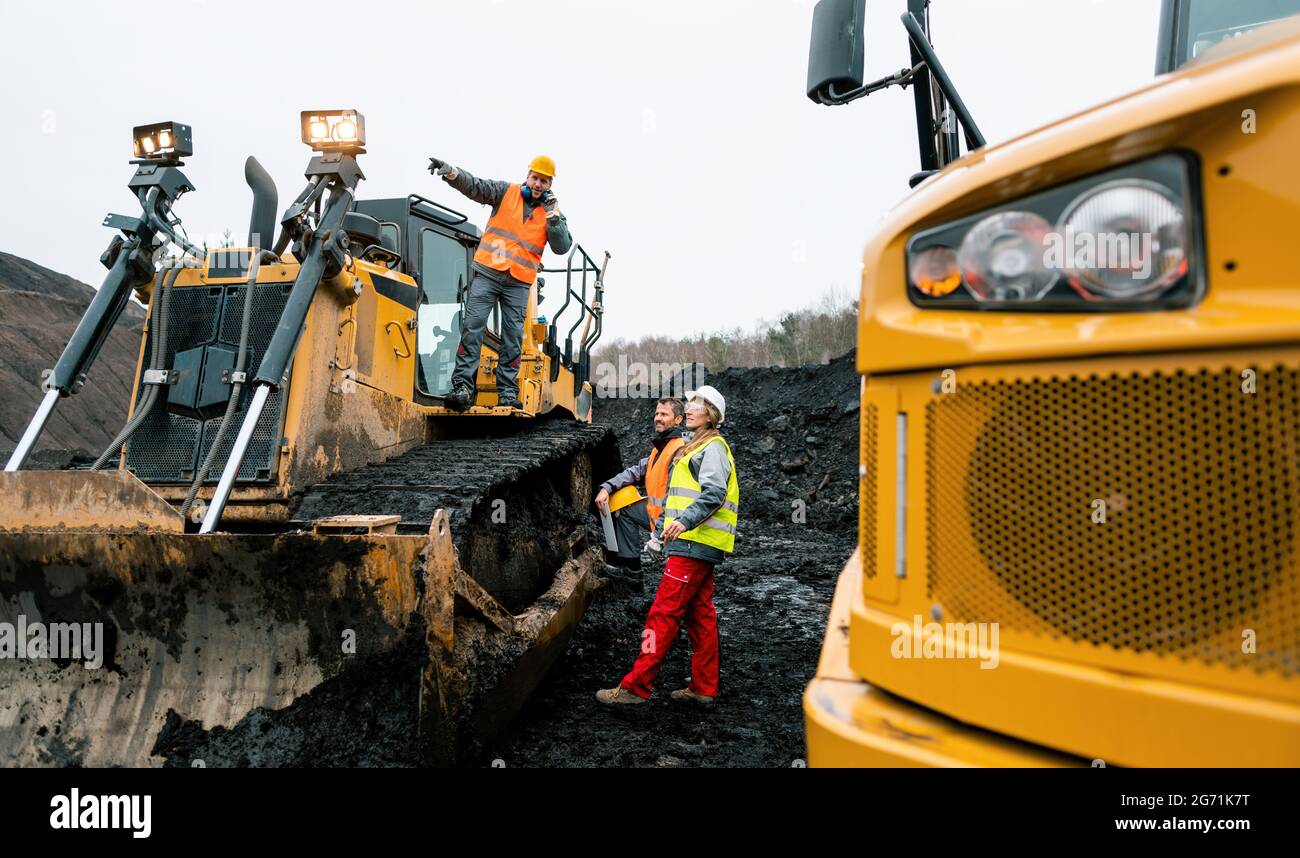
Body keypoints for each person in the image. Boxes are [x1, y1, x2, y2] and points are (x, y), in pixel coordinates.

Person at [596, 385, 738, 706]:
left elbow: (713, 493)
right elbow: (674, 499)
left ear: (711, 414)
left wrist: (683, 523)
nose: (688, 409)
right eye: (687, 404)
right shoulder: (692, 448)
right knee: (700, 616)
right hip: (693, 544)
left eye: (695, 405)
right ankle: (704, 687)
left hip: (693, 543)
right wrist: (660, 534)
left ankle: (635, 687)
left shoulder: (712, 448)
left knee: (662, 614)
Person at [427, 154, 572, 410]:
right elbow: (476, 186)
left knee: (513, 338)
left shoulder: (553, 214)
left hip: (518, 283)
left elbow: (562, 247)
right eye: (536, 178)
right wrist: (451, 173)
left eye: (544, 181)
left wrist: (553, 217)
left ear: (550, 185)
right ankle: (462, 387)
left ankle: (507, 392)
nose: (538, 184)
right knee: (473, 326)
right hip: (488, 273)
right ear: (528, 176)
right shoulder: (506, 192)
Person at [594, 397, 686, 579]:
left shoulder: (679, 450)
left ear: (678, 420)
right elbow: (635, 471)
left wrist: (658, 536)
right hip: (657, 515)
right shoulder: (660, 448)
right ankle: (632, 569)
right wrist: (606, 488)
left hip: (673, 522)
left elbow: (674, 498)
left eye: (664, 414)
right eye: (657, 413)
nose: (658, 418)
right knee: (624, 505)